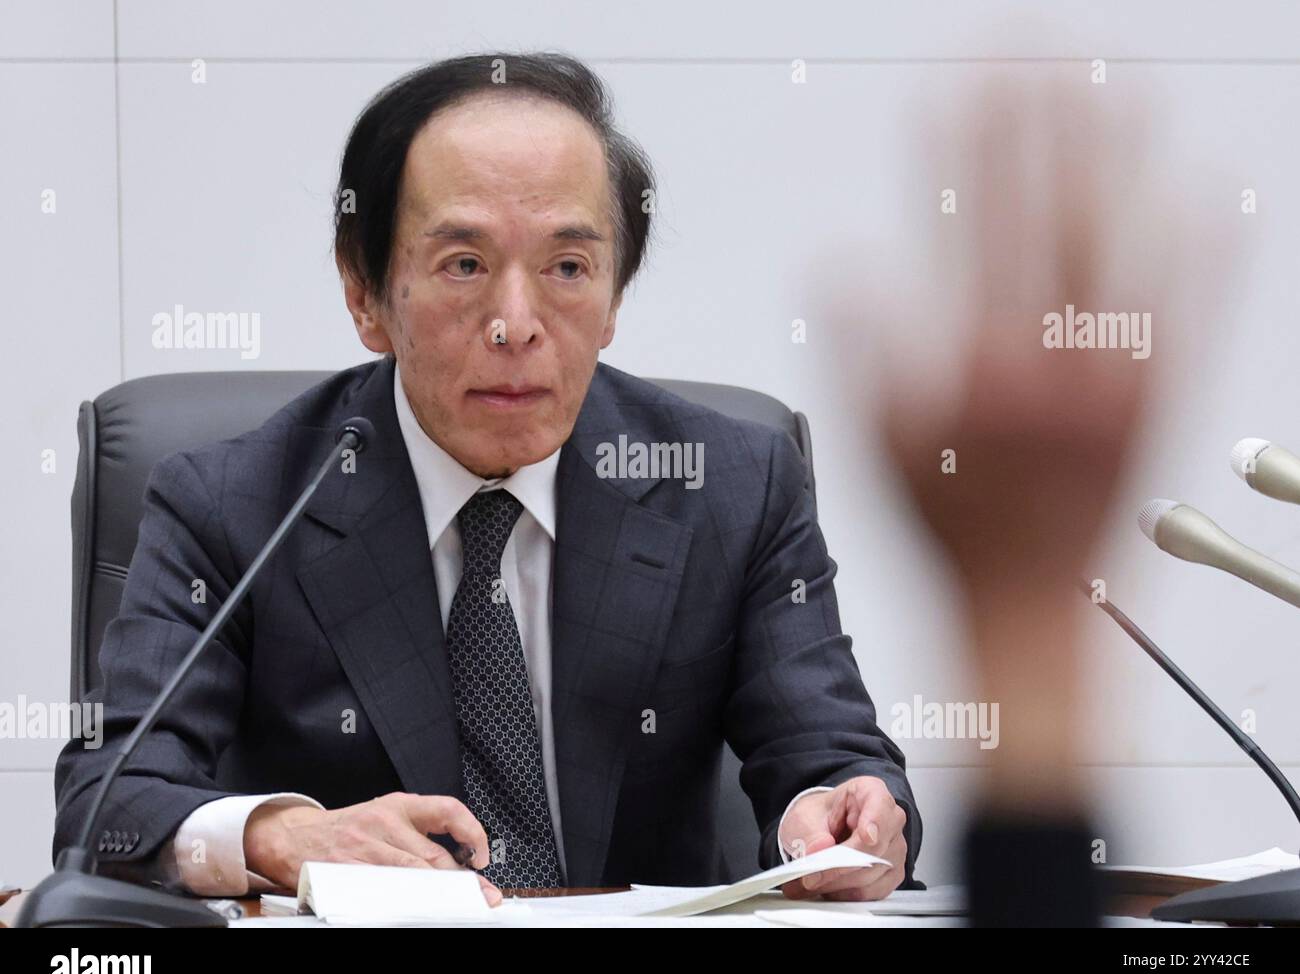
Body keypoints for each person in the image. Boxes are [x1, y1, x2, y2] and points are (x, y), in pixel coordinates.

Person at [54, 52, 920, 905]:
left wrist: (836, 818)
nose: (515, 324)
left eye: (568, 268)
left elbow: (832, 755)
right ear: (365, 292)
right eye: (464, 264)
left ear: (615, 297)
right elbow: (108, 805)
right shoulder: (235, 504)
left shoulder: (731, 485)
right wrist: (287, 838)